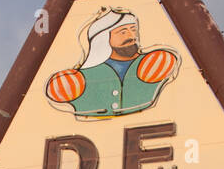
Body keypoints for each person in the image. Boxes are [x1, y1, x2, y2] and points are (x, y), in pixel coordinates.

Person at [45, 8, 179, 119]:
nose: (131, 36)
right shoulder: (80, 78)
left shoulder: (154, 62)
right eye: (123, 32)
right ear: (104, 38)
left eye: (133, 30)